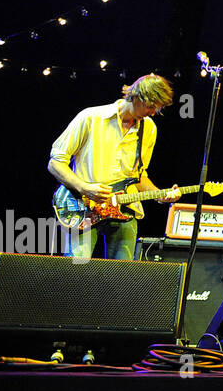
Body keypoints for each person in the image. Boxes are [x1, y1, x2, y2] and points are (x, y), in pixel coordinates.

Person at [47, 74, 179, 259]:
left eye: (157, 108)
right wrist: (84, 187)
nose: (153, 112)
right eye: (151, 106)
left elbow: (139, 176)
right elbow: (55, 162)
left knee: (120, 278)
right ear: (136, 96)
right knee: (76, 273)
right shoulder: (91, 117)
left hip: (124, 209)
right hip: (83, 208)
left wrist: (160, 193)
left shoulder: (149, 128)